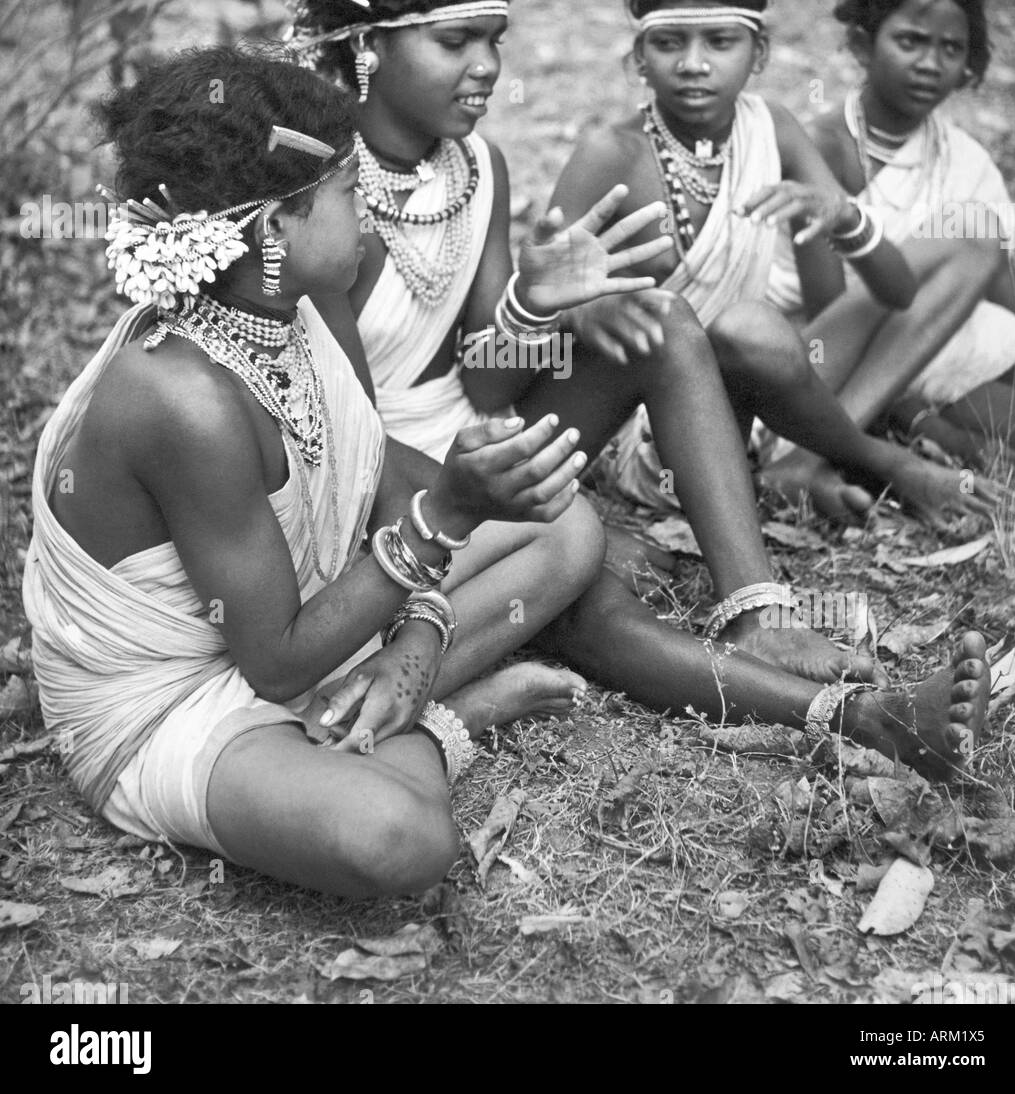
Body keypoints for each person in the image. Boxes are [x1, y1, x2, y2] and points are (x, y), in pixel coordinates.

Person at [286, 0, 990, 776]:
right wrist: (476, 507)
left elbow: (494, 385)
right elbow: (348, 431)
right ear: (368, 46)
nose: (486, 67)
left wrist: (539, 309)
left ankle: (752, 610)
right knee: (584, 589)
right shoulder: (315, 195)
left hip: (474, 427)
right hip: (368, 466)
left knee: (658, 320)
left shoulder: (477, 167)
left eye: (494, 39)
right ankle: (862, 719)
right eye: (456, 41)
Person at [24, 46, 617, 899]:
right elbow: (274, 665)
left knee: (566, 528)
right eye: (348, 191)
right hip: (179, 701)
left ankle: (386, 704)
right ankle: (445, 717)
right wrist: (447, 513)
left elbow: (374, 486)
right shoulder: (179, 395)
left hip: (302, 635)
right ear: (272, 232)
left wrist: (416, 630)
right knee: (398, 839)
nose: (371, 215)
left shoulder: (296, 309)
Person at [546, 0, 997, 527]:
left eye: (721, 41)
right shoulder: (609, 154)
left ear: (758, 53)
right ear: (638, 58)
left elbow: (896, 294)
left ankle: (802, 463)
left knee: (970, 246)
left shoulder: (773, 128)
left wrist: (847, 220)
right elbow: (542, 319)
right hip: (663, 435)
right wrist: (582, 312)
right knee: (751, 327)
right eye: (670, 43)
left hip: (760, 392)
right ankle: (880, 459)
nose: (695, 65)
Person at [766, 0, 1015, 476]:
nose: (930, 64)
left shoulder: (965, 160)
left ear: (968, 66)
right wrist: (922, 423)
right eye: (910, 41)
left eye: (951, 48)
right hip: (843, 362)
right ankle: (822, 453)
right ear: (865, 45)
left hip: (944, 340)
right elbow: (832, 320)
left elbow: (1009, 311)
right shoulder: (820, 149)